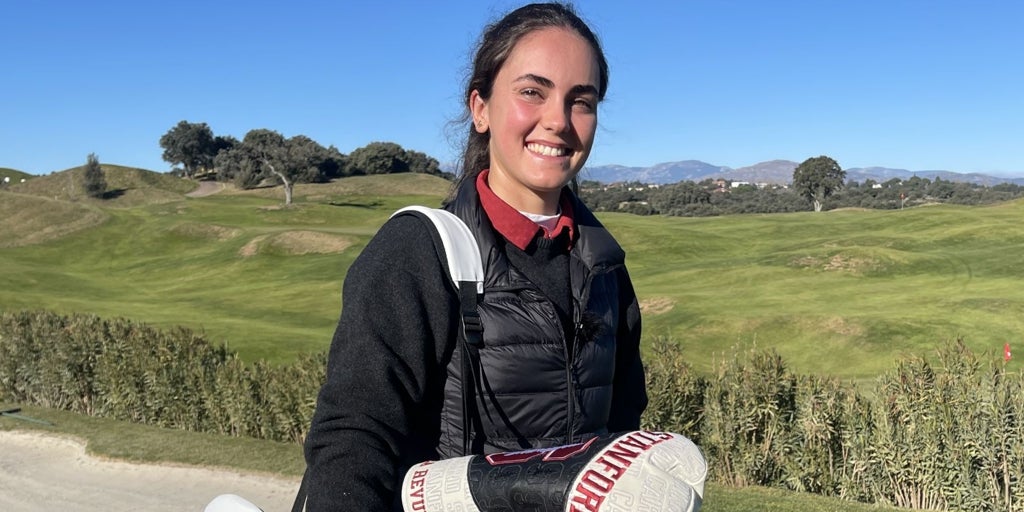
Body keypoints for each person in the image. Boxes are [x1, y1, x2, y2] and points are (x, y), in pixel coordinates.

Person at [301, 3, 647, 510]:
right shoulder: (417, 251)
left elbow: (619, 428)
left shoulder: (605, 267)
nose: (559, 121)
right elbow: (354, 439)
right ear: (480, 108)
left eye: (582, 101)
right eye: (533, 92)